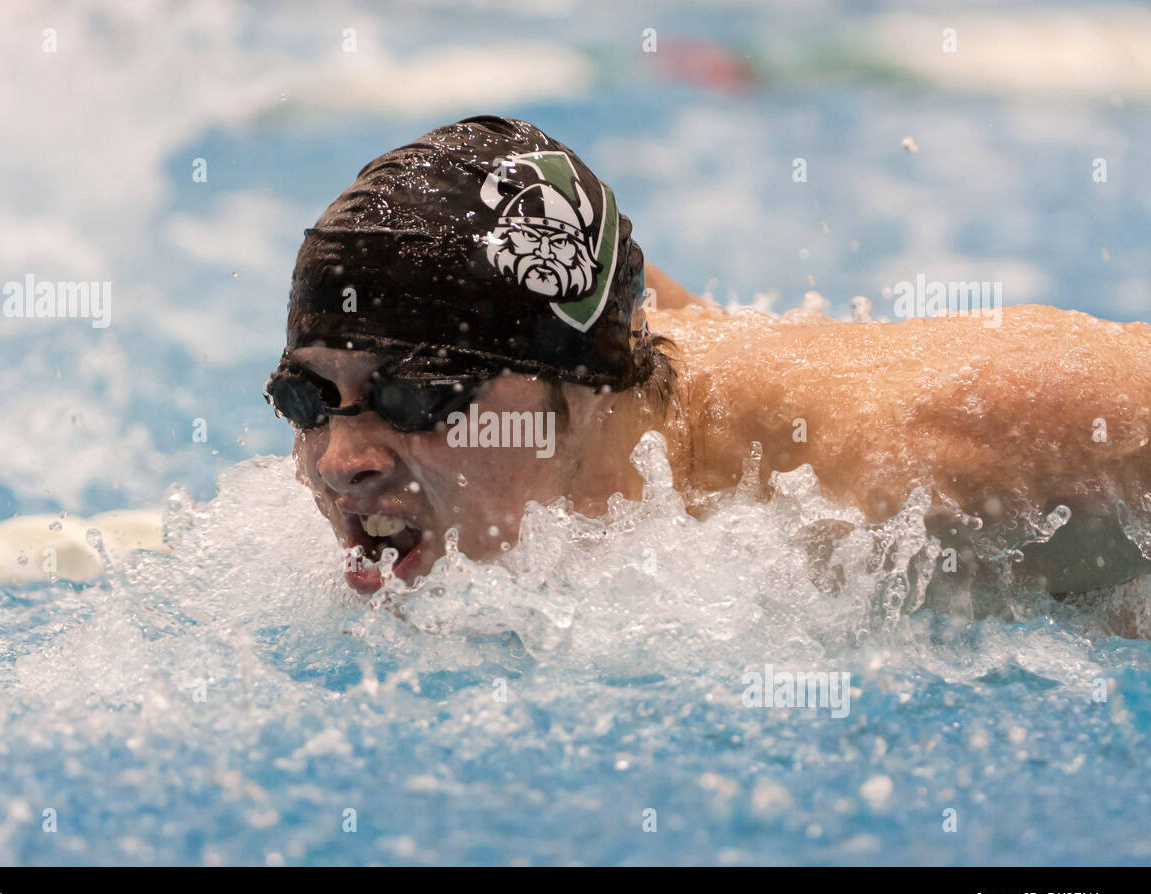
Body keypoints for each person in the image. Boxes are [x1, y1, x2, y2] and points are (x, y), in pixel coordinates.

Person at [266, 115, 1151, 599]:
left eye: (421, 397)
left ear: (587, 391)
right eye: (308, 399)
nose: (343, 461)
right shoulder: (574, 390)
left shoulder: (916, 465)